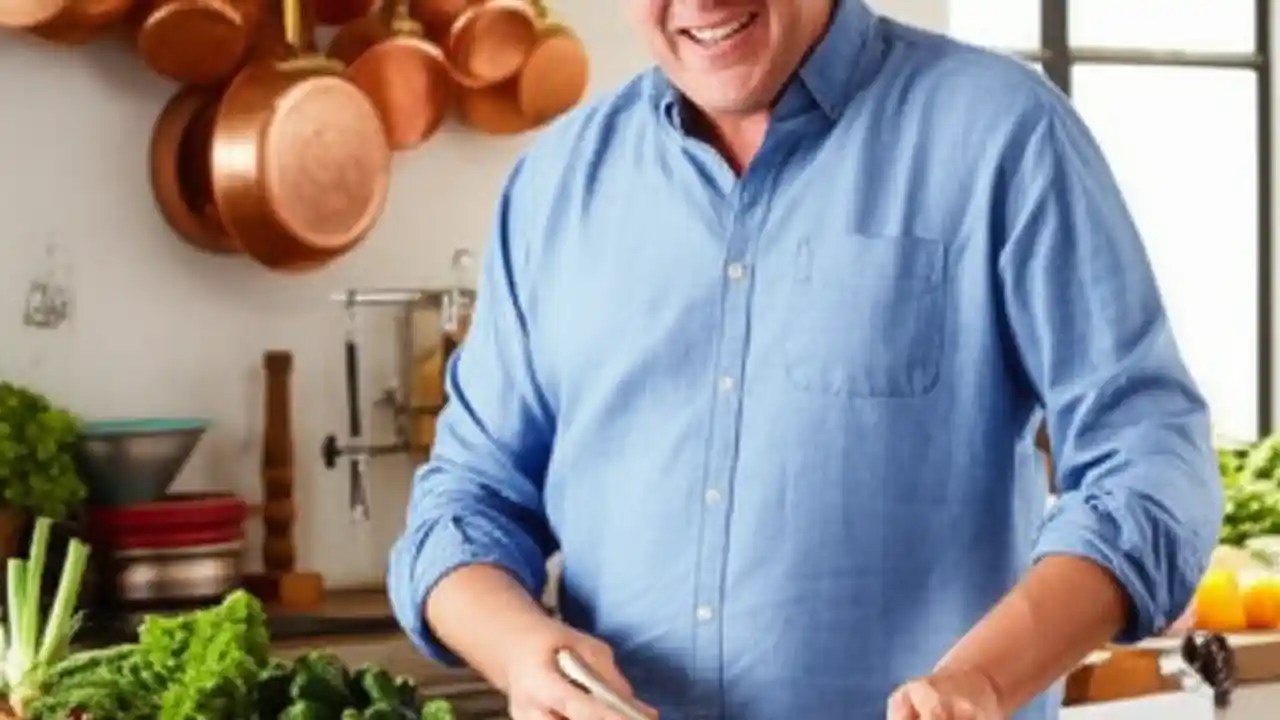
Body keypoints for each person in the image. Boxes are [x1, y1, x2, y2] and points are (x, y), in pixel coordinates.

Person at [387, 1, 1224, 718]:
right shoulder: (554, 189)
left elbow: (1151, 469)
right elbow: (465, 500)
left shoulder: (1003, 135)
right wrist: (524, 652)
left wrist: (982, 681)